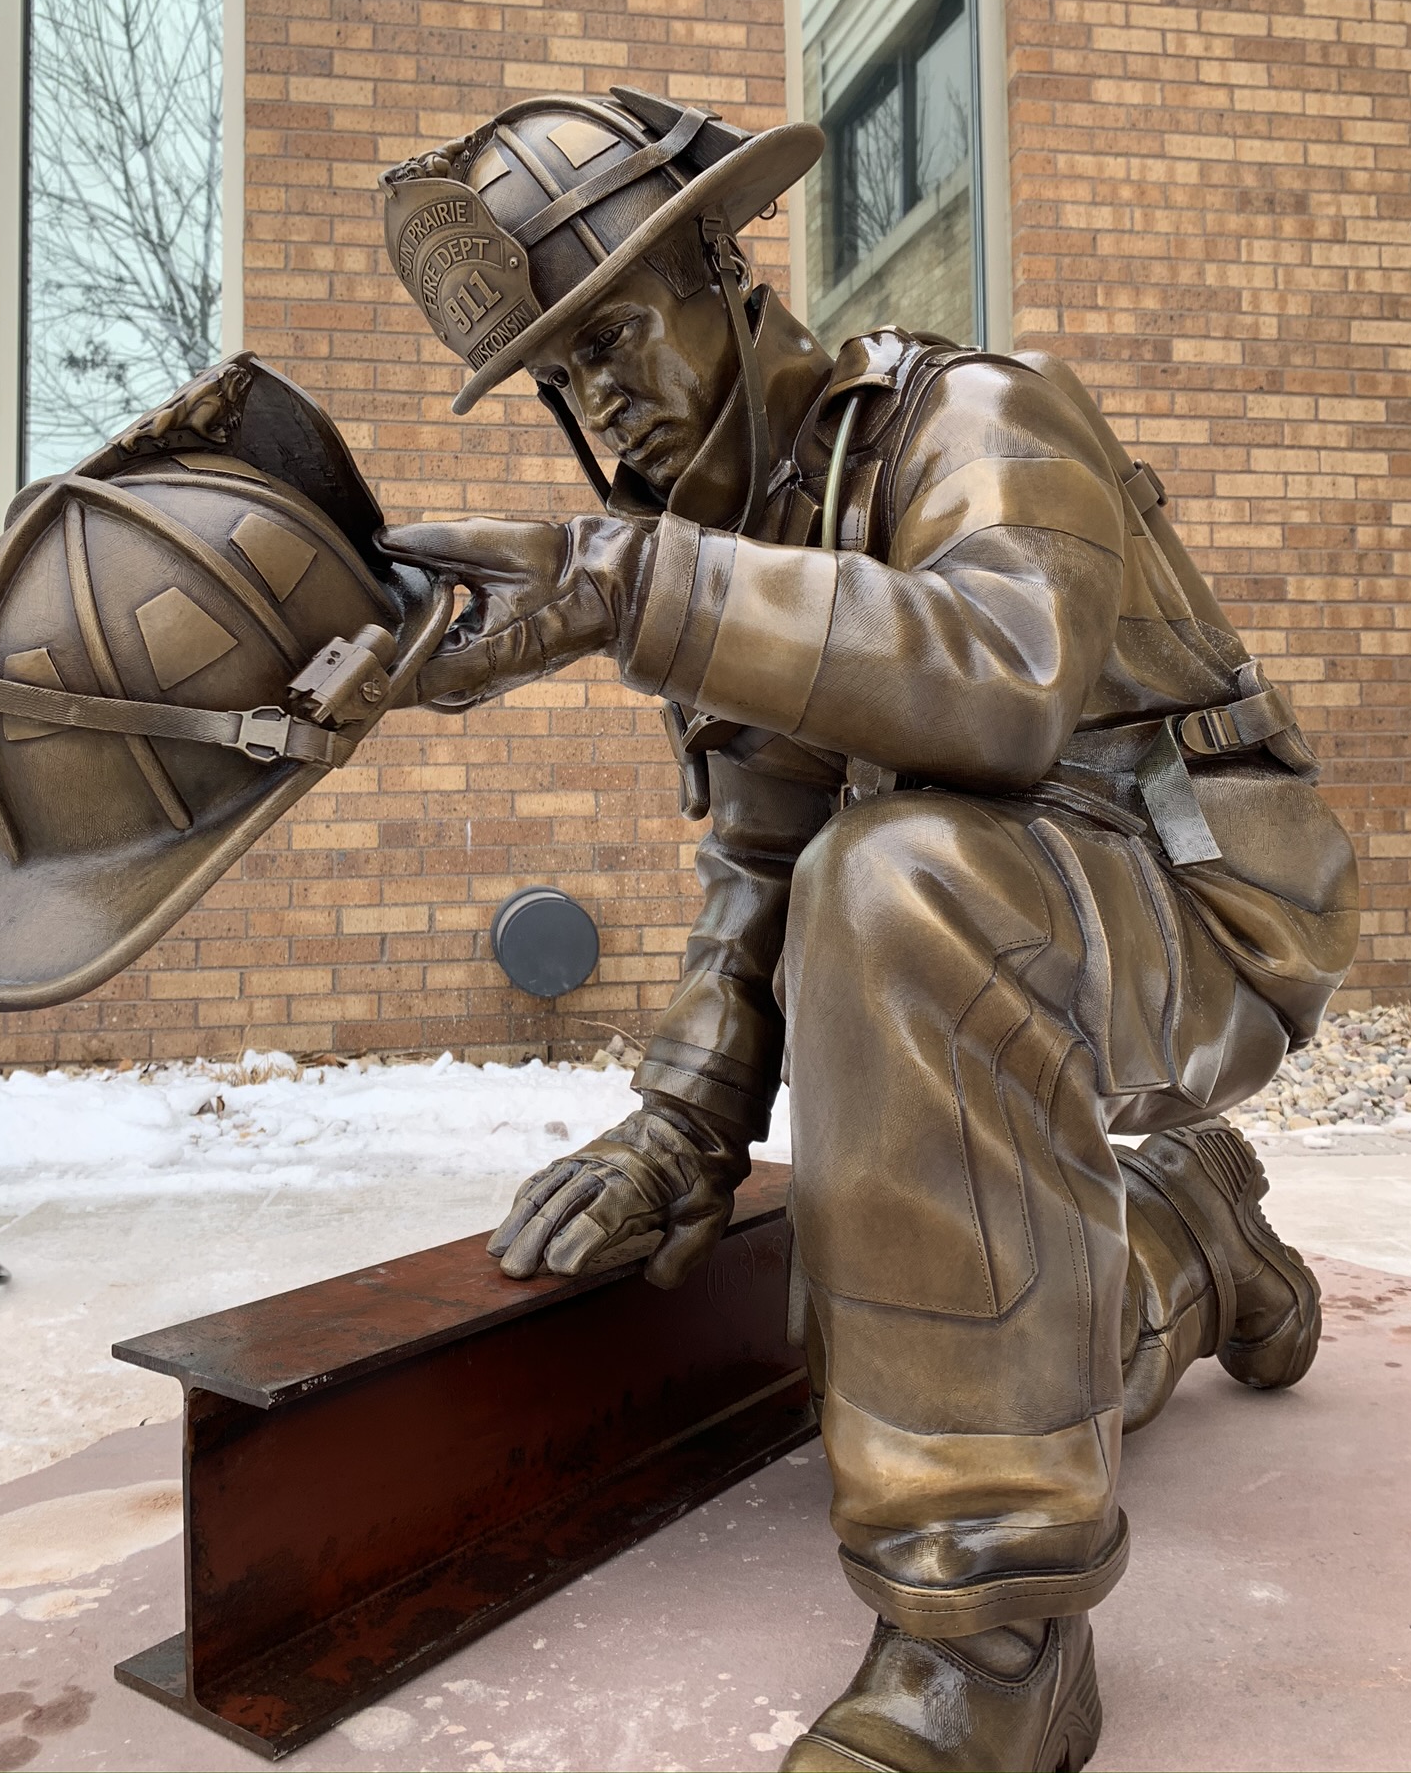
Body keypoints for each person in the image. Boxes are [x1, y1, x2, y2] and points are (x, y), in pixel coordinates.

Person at [377, 89, 1360, 1773]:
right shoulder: (744, 547)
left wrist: (630, 586)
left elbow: (1007, 681)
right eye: (559, 374)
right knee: (927, 1328)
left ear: (723, 272)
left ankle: (990, 1646)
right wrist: (683, 1127)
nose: (596, 396)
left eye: (613, 330)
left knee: (893, 879)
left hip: (1209, 899)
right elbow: (760, 862)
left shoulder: (978, 413)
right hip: (1013, 922)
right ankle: (1186, 1244)